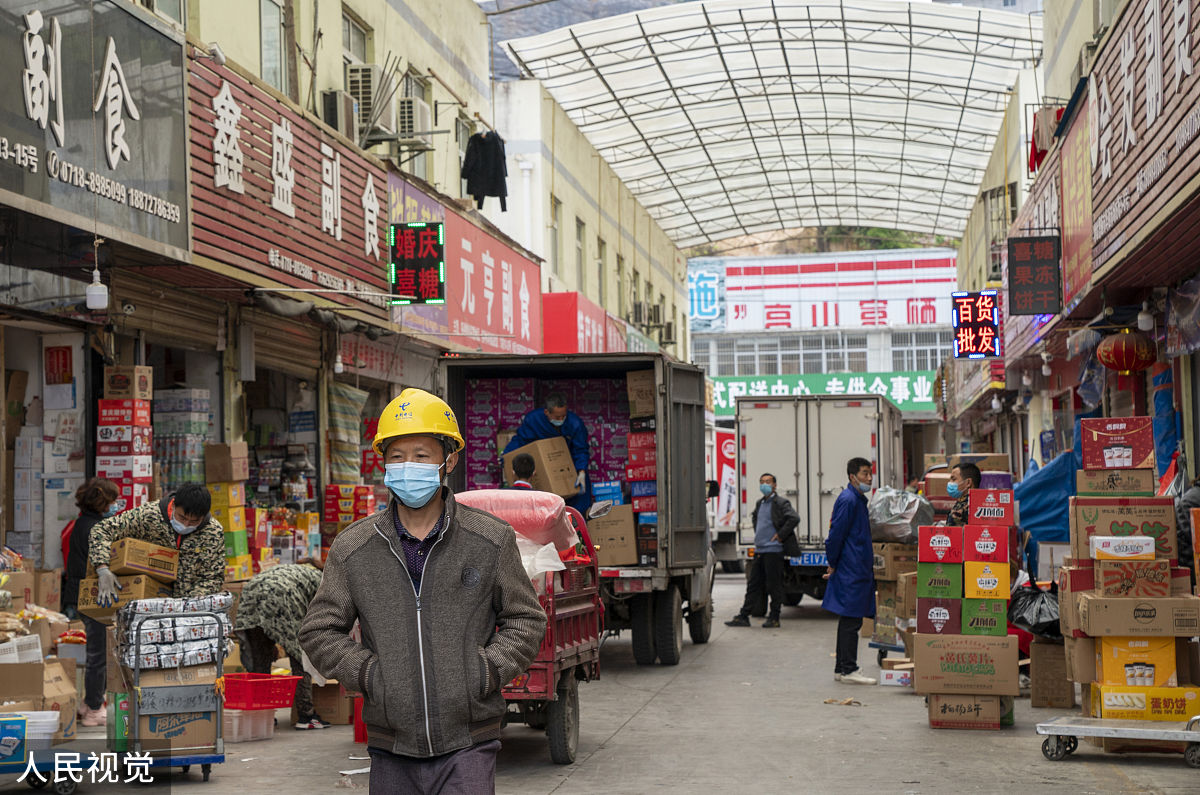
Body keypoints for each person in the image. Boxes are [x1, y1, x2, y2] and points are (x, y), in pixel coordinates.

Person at [300, 388, 546, 793]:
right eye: (396, 456)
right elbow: (319, 631)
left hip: (469, 740)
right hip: (390, 743)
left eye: (420, 455)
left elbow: (526, 618)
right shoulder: (354, 548)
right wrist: (370, 675)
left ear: (448, 460)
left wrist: (481, 671)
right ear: (383, 464)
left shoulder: (488, 539)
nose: (407, 466)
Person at [89, 483, 225, 605]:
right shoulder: (149, 515)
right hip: (147, 602)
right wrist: (102, 568)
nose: (186, 524)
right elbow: (101, 529)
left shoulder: (212, 532)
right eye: (182, 517)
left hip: (189, 608)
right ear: (173, 505)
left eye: (194, 521)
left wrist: (189, 603)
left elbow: (213, 576)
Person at [236, 559, 329, 729]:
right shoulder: (322, 580)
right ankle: (306, 716)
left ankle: (263, 716)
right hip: (281, 595)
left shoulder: (295, 570)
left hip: (251, 591)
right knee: (301, 658)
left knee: (260, 661)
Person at [62, 478, 119, 727]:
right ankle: (94, 709)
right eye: (112, 501)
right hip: (92, 598)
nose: (115, 505)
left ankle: (90, 702)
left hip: (81, 595)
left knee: (99, 651)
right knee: (99, 654)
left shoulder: (83, 523)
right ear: (101, 502)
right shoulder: (93, 528)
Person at [823, 457, 877, 685]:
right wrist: (833, 562)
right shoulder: (849, 500)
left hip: (855, 565)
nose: (868, 478)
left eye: (870, 473)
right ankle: (848, 669)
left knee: (849, 618)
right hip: (851, 567)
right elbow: (836, 535)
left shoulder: (857, 499)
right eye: (865, 474)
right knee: (852, 620)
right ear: (852, 476)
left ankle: (841, 668)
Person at [724, 473, 799, 629]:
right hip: (760, 550)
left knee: (774, 585)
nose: (765, 484)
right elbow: (756, 518)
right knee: (753, 584)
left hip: (773, 551)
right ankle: (743, 616)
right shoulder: (760, 503)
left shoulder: (780, 502)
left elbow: (794, 518)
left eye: (768, 482)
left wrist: (780, 535)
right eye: (762, 482)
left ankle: (774, 617)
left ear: (774, 485)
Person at [503, 392, 590, 512]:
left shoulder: (575, 423)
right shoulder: (534, 420)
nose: (561, 420)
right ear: (546, 412)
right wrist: (506, 456)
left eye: (563, 416)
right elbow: (520, 440)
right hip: (544, 468)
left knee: (579, 500)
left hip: (570, 468)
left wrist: (581, 471)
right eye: (557, 417)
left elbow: (581, 449)